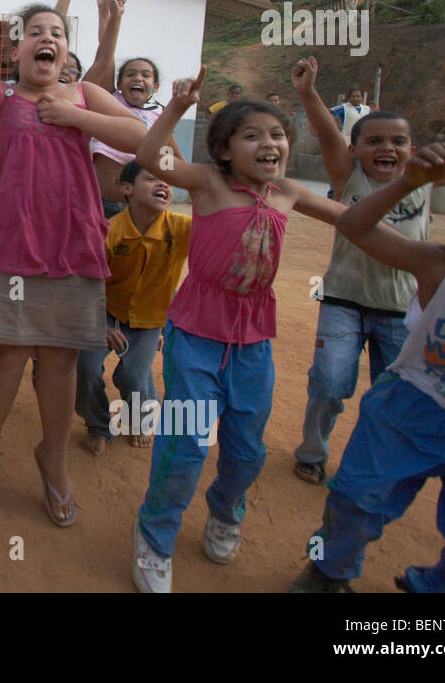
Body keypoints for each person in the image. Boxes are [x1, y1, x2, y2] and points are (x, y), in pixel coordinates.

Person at [0, 0, 146, 528]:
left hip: (75, 251)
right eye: (36, 33)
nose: (47, 38)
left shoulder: (84, 94)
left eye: (57, 33)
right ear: (17, 51)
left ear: (65, 51)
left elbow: (141, 139)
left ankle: (53, 459)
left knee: (57, 361)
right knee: (4, 356)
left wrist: (74, 114)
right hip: (11, 252)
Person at [129, 68, 346, 593]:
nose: (269, 143)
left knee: (247, 447)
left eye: (277, 135)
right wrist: (177, 107)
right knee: (186, 444)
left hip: (253, 340)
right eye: (253, 135)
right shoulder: (207, 183)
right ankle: (155, 537)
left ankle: (226, 512)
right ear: (225, 151)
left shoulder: (288, 193)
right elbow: (150, 158)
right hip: (197, 334)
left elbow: (352, 219)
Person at [291, 156, 445, 593]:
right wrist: (408, 183)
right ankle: (327, 570)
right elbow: (354, 226)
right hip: (412, 409)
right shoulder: (441, 267)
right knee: (354, 502)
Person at [289, 57, 430, 485]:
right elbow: (328, 134)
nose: (387, 148)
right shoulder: (348, 179)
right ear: (354, 150)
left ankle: (375, 462)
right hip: (342, 301)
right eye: (374, 141)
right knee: (330, 382)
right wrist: (308, 93)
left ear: (412, 147)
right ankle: (312, 452)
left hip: (401, 308)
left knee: (393, 394)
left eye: (398, 141)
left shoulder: (425, 179)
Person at [77, 161, 190, 455]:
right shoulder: (110, 231)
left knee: (132, 376)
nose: (162, 184)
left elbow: (217, 226)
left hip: (151, 318)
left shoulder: (181, 229)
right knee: (84, 368)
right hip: (105, 311)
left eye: (167, 180)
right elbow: (88, 282)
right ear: (126, 188)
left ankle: (139, 417)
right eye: (152, 178)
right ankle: (99, 425)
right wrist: (100, 325)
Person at [82, 0, 165, 218]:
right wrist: (107, 15)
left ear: (155, 86)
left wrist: (167, 176)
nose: (138, 78)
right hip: (98, 203)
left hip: (137, 208)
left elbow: (168, 152)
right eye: (130, 74)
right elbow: (105, 57)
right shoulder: (110, 100)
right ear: (118, 83)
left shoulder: (161, 114)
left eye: (145, 75)